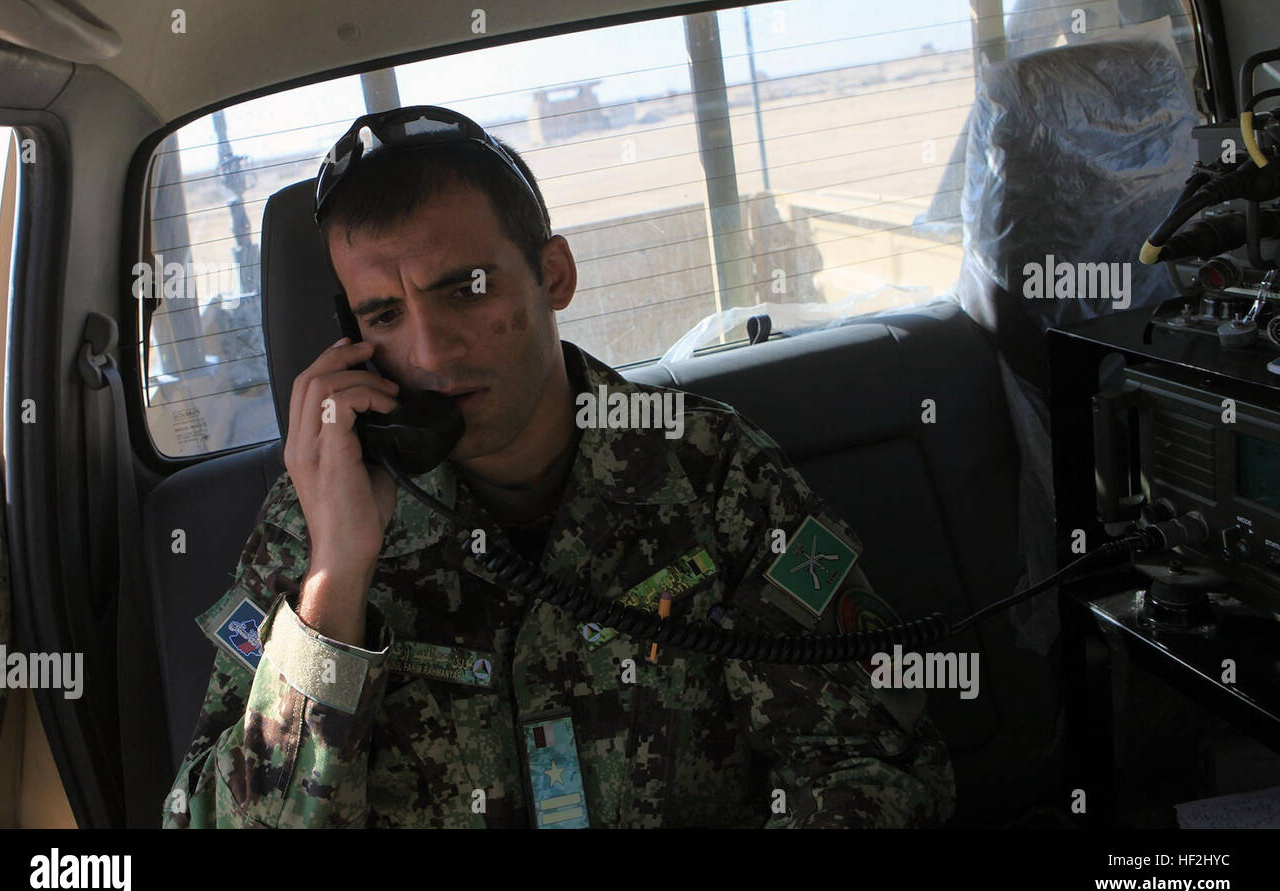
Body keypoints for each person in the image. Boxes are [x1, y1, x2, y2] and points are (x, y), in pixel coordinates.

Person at [162, 106, 956, 828]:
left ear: (554, 276)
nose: (431, 353)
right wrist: (337, 581)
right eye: (386, 315)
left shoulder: (712, 471)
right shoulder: (313, 520)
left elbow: (874, 767)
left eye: (465, 291)